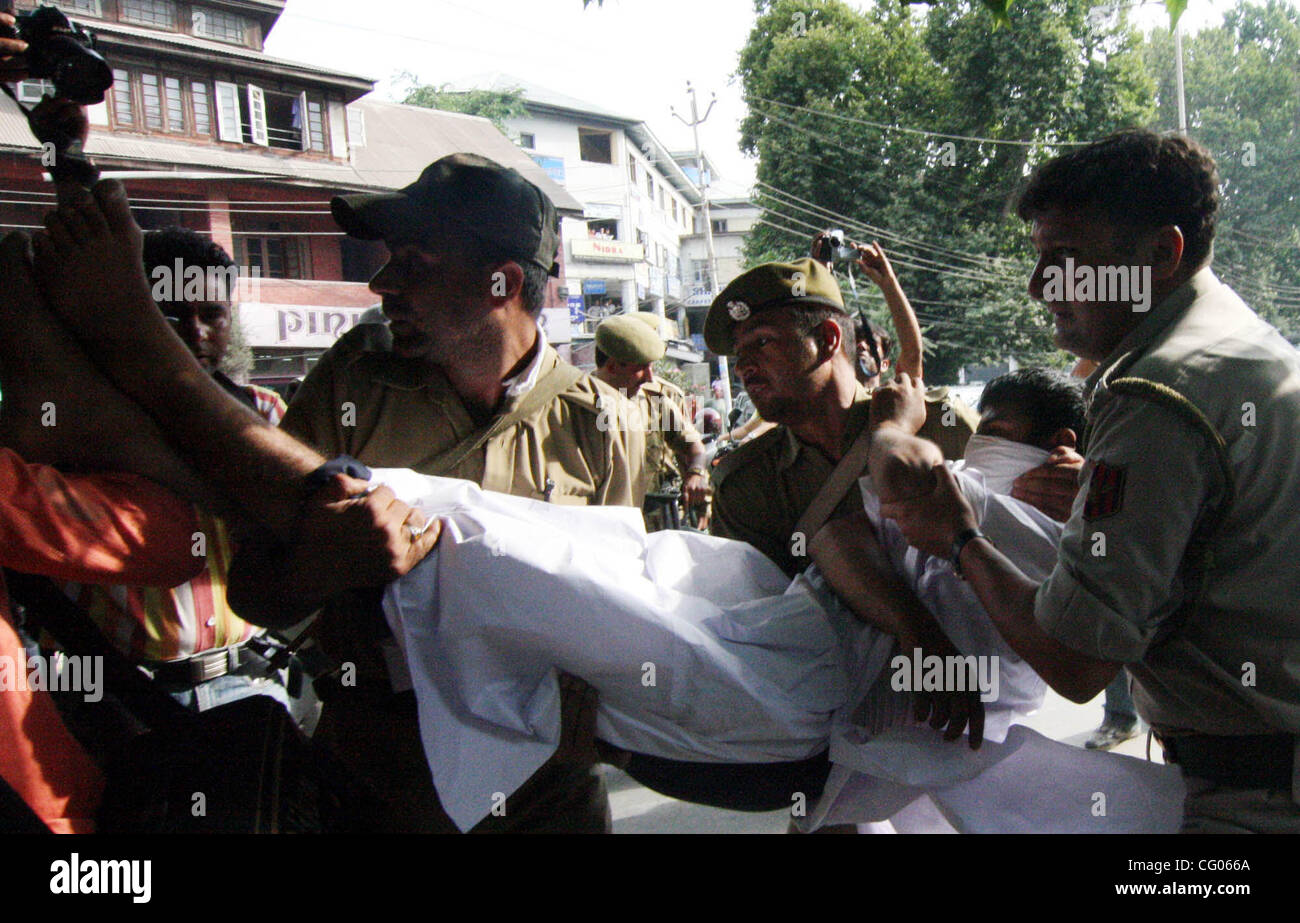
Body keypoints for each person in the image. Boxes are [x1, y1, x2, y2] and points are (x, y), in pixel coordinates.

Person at [875, 129, 1300, 833]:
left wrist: (959, 538)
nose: (1040, 285)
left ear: (1160, 254)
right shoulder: (1244, 348)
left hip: (1250, 802)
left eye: (1066, 259)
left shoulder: (1156, 393)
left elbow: (1076, 660)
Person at [239, 153, 646, 832]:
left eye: (415, 261)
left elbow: (624, 612)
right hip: (377, 777)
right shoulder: (352, 384)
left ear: (503, 281)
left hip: (545, 791)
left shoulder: (600, 420)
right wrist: (335, 560)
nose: (381, 283)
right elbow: (251, 585)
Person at [64, 228, 318, 729]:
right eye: (172, 314)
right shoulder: (81, 423)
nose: (195, 333)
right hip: (118, 698)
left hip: (248, 686)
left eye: (212, 315)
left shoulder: (266, 415)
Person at [704, 258, 981, 579]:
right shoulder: (746, 485)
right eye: (739, 353)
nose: (742, 367)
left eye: (762, 341)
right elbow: (757, 613)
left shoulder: (942, 424)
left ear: (827, 340)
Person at [592, 313, 708, 521]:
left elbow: (692, 445)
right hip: (601, 520)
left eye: (651, 367)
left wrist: (696, 474)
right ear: (612, 366)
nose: (650, 377)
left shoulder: (654, 401)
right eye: (640, 368)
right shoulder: (577, 403)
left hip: (653, 518)